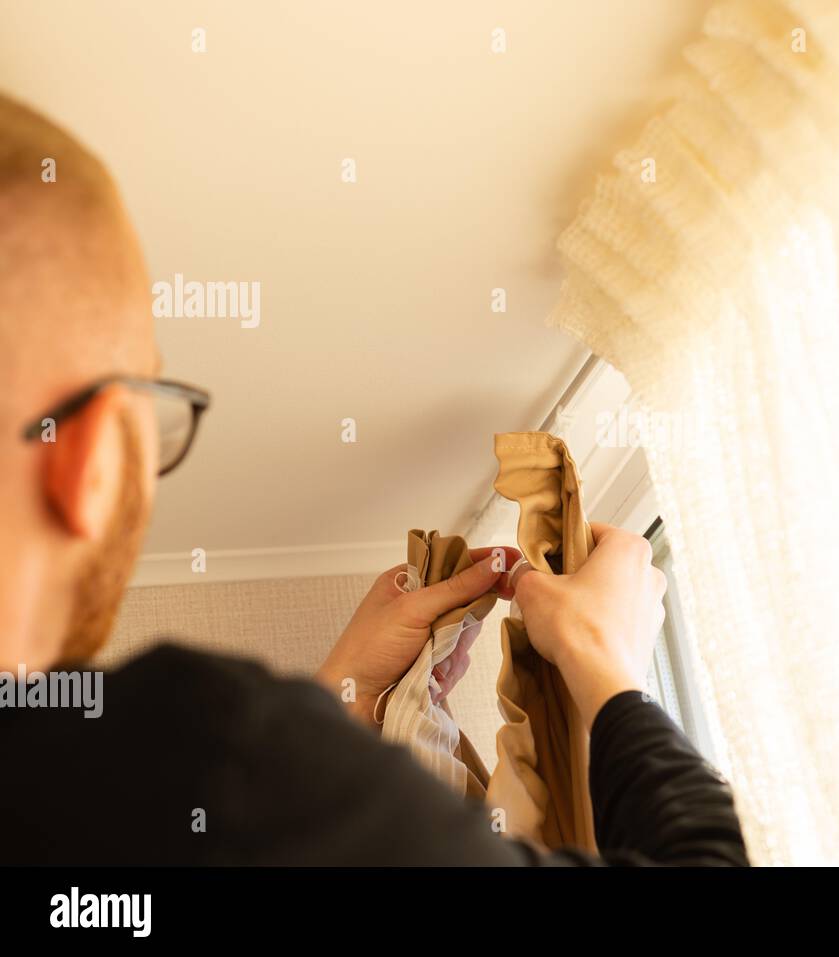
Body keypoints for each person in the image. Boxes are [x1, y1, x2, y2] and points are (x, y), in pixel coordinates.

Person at [0, 92, 747, 866]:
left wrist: (345, 687)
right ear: (89, 457)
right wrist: (603, 656)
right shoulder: (188, 759)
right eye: (148, 413)